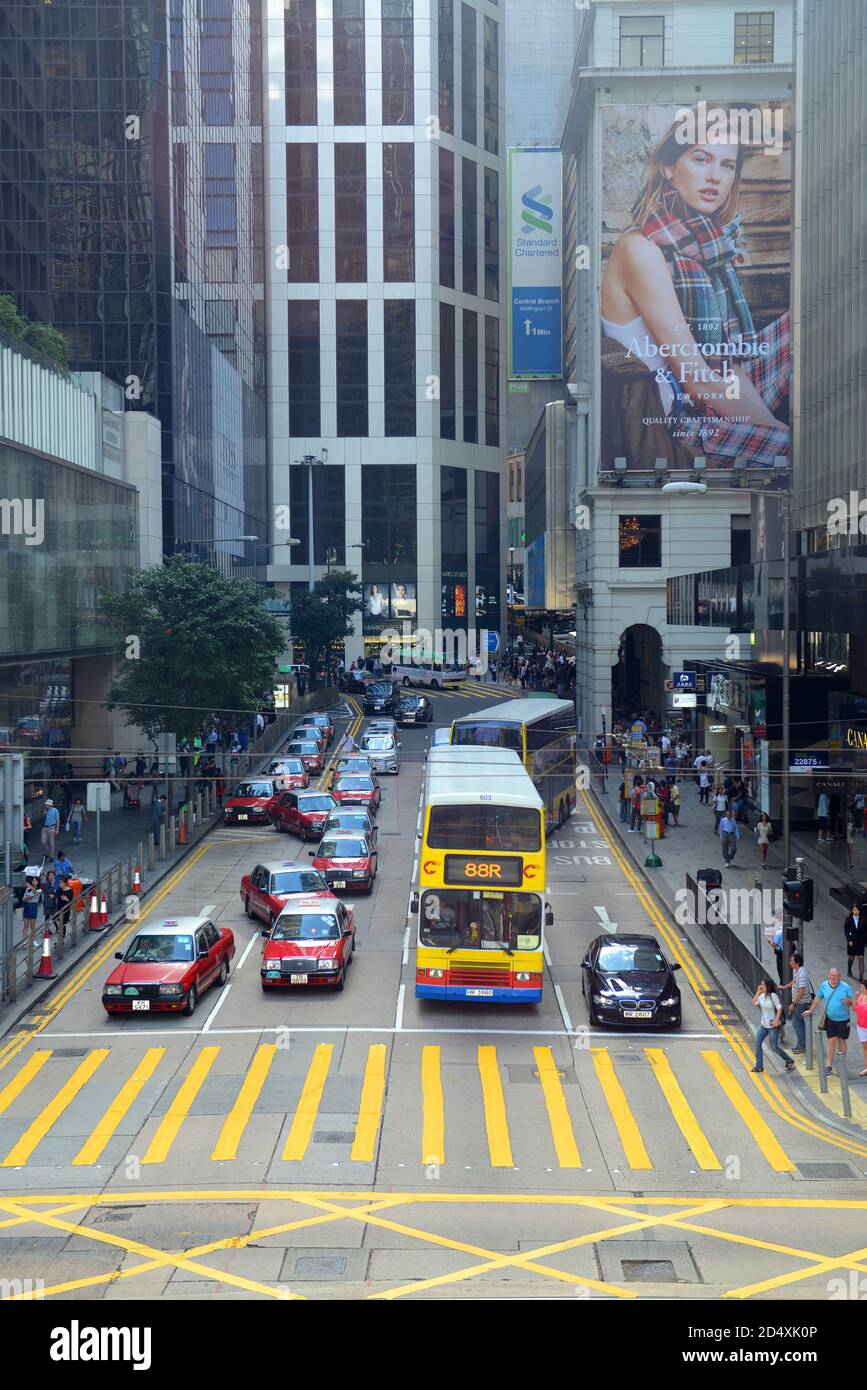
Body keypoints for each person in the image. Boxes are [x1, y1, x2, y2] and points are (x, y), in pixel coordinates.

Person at [803, 966, 855, 1073]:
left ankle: (842, 1063)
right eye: (832, 975)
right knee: (831, 1040)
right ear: (828, 975)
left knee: (841, 1041)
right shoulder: (824, 985)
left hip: (844, 1019)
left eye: (835, 976)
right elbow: (818, 997)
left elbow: (854, 1002)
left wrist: (849, 1002)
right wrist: (811, 1010)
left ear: (839, 976)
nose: (833, 977)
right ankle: (829, 1065)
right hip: (830, 1019)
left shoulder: (846, 987)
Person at [750, 977, 796, 1074]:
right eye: (761, 984)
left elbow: (779, 1008)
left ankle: (789, 1061)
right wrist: (758, 992)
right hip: (763, 1025)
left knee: (774, 1047)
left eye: (763, 985)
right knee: (757, 1043)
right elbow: (753, 1003)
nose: (761, 986)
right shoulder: (761, 996)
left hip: (772, 1026)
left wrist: (776, 1020)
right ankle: (759, 1066)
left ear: (768, 986)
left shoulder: (773, 996)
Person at [785, 951, 811, 1053]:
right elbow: (794, 981)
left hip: (801, 1003)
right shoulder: (797, 971)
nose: (789, 962)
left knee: (797, 1023)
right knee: (798, 1023)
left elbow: (802, 991)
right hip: (799, 1002)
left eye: (791, 961)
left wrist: (793, 1004)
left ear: (797, 963)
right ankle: (802, 1044)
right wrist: (785, 986)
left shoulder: (802, 973)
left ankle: (802, 1046)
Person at [843, 902, 865, 982]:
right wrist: (849, 940)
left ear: (859, 911)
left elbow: (865, 931)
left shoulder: (863, 919)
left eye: (857, 910)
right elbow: (846, 930)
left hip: (860, 941)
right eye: (854, 910)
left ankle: (861, 977)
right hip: (852, 941)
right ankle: (849, 970)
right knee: (851, 958)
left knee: (861, 958)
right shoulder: (848, 919)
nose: (855, 912)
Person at [854, 980, 867, 1077]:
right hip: (861, 1026)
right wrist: (855, 998)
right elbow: (855, 1008)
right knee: (865, 1047)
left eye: (862, 987)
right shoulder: (860, 996)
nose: (860, 989)